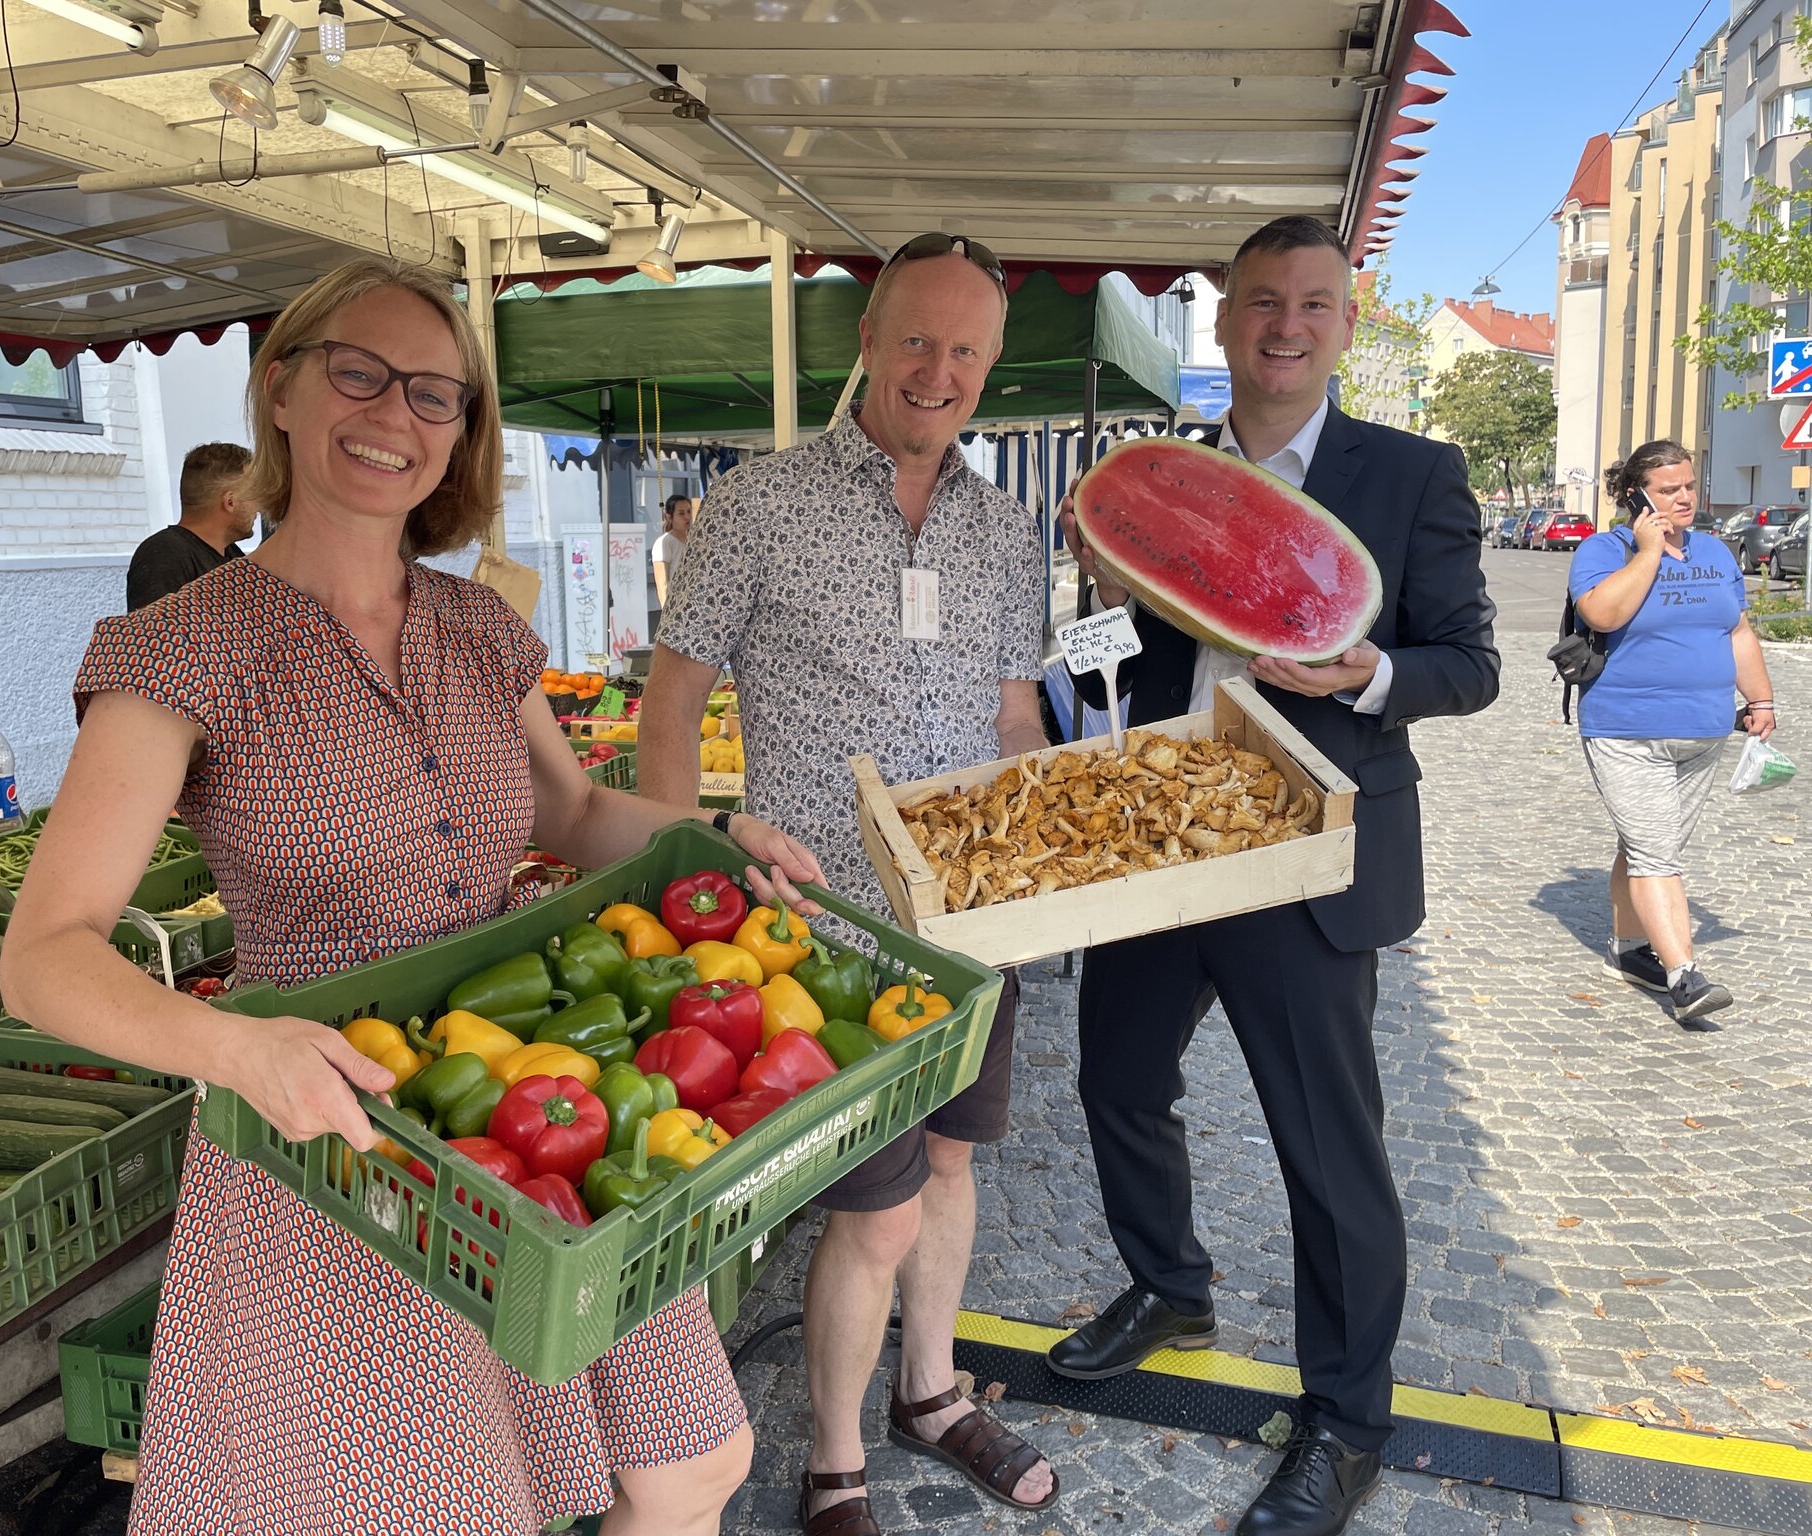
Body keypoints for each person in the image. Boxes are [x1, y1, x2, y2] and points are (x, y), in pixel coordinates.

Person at [1, 257, 828, 1536]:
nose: (394, 413)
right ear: (282, 390)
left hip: (520, 1100)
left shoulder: (476, 629)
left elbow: (572, 815)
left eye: (434, 393)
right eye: (359, 373)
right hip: (332, 1141)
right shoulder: (181, 647)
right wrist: (237, 1051)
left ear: (460, 432)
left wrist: (715, 834)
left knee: (695, 1464)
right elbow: (44, 954)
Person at [1053, 215, 1500, 1536]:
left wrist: (1365, 672)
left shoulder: (1411, 475)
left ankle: (1346, 1422)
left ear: (1346, 325)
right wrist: (1094, 590)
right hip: (1163, 836)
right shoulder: (1161, 477)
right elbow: (1113, 660)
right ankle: (1168, 1284)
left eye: (1312, 302)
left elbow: (1469, 663)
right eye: (1260, 301)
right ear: (1226, 318)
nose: (1284, 325)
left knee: (1326, 1150)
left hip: (1307, 855)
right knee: (1116, 1080)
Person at [637, 233, 1057, 1536]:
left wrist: (1060, 839)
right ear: (867, 344)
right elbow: (671, 702)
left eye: (965, 349)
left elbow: (1014, 719)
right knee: (871, 1215)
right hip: (826, 932)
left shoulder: (1004, 530)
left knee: (952, 1167)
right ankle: (832, 1459)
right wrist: (673, 870)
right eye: (916, 339)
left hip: (972, 923)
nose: (938, 370)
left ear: (990, 365)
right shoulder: (760, 503)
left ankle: (929, 1393)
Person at [1568, 440, 1777, 1026]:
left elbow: (1737, 630)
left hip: (1703, 731)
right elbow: (1602, 613)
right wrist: (1649, 550)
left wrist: (1760, 698)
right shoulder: (1603, 550)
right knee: (1655, 851)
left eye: (1688, 484)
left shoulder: (1714, 552)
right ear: (1636, 496)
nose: (1684, 496)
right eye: (1668, 490)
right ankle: (1684, 976)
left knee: (1648, 846)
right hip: (1627, 730)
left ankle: (1631, 950)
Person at [125, 441, 256, 609]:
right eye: (254, 494)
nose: (259, 507)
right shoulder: (163, 554)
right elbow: (154, 624)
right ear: (230, 502)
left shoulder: (232, 554)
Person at [652, 492, 693, 607]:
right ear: (669, 517)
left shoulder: (695, 540)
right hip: (676, 606)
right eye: (681, 513)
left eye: (689, 511)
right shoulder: (664, 542)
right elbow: (662, 583)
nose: (687, 517)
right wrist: (667, 611)